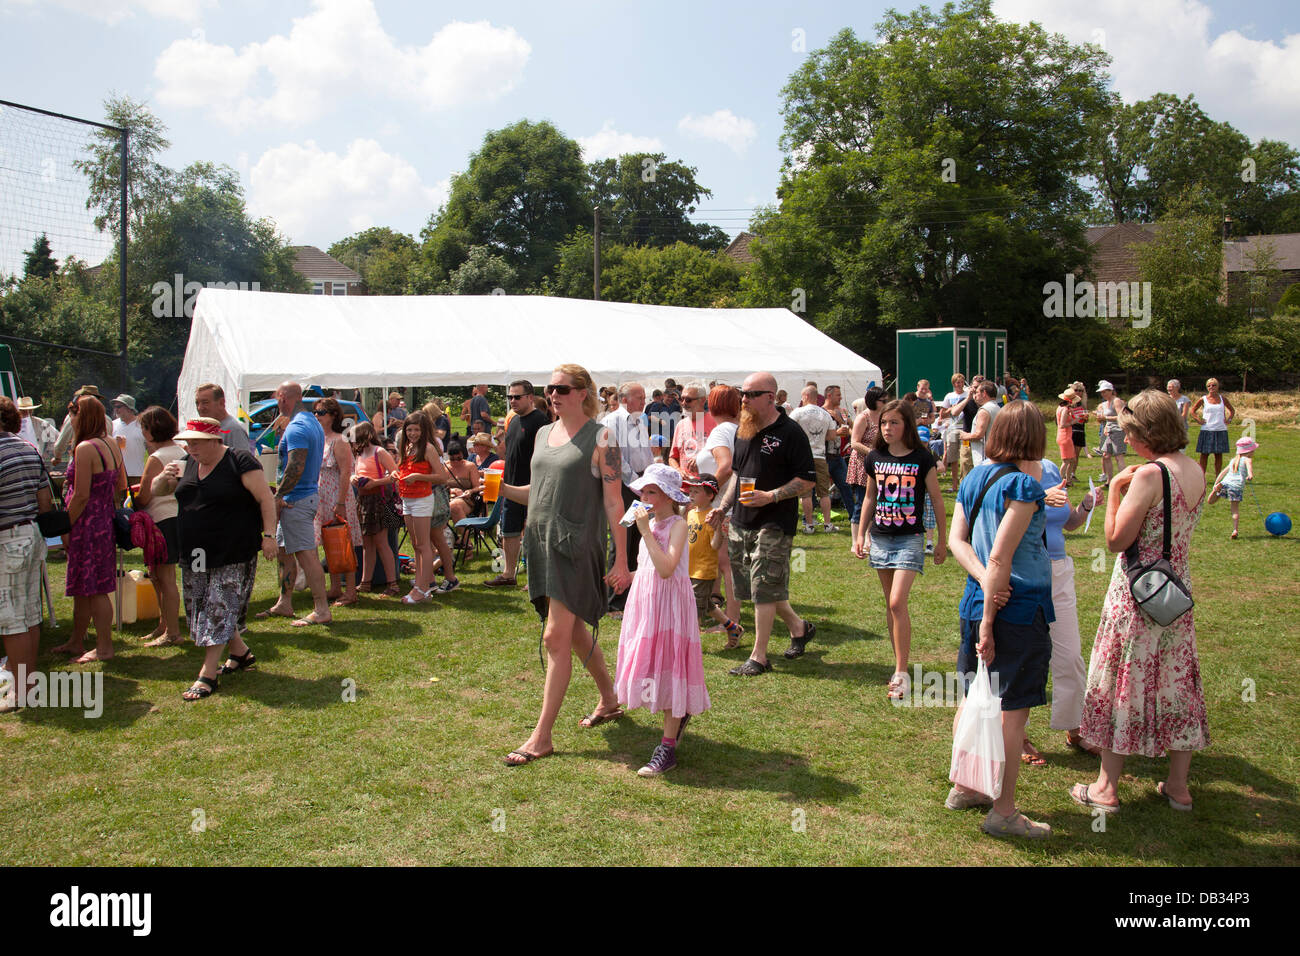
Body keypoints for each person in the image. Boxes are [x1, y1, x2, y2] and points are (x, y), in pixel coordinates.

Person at [1072, 390, 1207, 813]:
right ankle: (1179, 788)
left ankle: (1106, 789)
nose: (1127, 440)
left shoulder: (1149, 476)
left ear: (1148, 432)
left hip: (1137, 594)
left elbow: (1117, 540)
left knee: (1123, 682)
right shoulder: (1195, 470)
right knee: (1176, 682)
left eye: (1131, 433)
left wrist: (1113, 489)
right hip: (1174, 592)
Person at [499, 364, 632, 765]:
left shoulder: (602, 438)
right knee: (573, 634)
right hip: (540, 543)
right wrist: (497, 488)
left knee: (555, 637)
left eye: (561, 388)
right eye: (549, 388)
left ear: (582, 392)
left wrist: (622, 558)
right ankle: (610, 699)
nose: (553, 394)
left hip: (576, 545)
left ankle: (541, 737)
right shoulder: (542, 433)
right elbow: (536, 491)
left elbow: (613, 500)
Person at [945, 401, 1055, 838]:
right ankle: (1004, 812)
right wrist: (992, 606)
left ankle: (966, 786)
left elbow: (957, 542)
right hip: (1015, 611)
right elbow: (999, 556)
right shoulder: (1025, 486)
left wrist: (986, 586)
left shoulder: (974, 477)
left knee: (974, 697)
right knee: (1012, 712)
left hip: (978, 603)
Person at [154, 418, 278, 700]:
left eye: (195, 441)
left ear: (214, 440)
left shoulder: (240, 460)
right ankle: (240, 652)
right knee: (200, 605)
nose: (190, 446)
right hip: (195, 553)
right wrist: (163, 478)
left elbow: (265, 498)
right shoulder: (186, 463)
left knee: (219, 606)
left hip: (233, 550)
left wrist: (269, 536)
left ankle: (207, 675)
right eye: (187, 441)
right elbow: (157, 491)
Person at [707, 372, 816, 676]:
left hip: (775, 522)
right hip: (742, 521)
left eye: (751, 394)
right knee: (757, 588)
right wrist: (723, 507)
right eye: (743, 393)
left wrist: (771, 496)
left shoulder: (790, 432)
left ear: (770, 397)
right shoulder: (745, 429)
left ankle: (759, 656)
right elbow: (738, 475)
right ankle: (799, 628)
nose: (743, 399)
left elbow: (807, 480)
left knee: (763, 587)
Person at [615, 463, 712, 775]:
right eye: (643, 490)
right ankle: (675, 717)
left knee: (670, 667)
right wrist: (629, 576)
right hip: (648, 605)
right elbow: (650, 567)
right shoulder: (653, 525)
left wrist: (645, 532)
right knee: (651, 664)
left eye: (652, 491)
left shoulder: (677, 525)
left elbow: (668, 568)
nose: (644, 495)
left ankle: (667, 747)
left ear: (669, 497)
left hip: (670, 608)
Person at [856, 399, 947, 699]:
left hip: (910, 539)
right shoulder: (876, 457)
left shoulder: (922, 458)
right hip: (881, 538)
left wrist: (942, 540)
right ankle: (899, 665)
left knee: (897, 603)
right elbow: (869, 498)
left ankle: (902, 672)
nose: (888, 428)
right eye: (884, 423)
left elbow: (936, 498)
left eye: (894, 422)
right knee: (890, 604)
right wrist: (860, 534)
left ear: (907, 425)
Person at [1021, 456, 1104, 765]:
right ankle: (1019, 734)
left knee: (1070, 654)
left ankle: (1075, 726)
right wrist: (1041, 499)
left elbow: (1067, 522)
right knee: (1025, 655)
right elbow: (998, 518)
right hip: (1024, 571)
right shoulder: (1002, 470)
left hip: (1059, 570)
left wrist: (1085, 505)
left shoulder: (1052, 468)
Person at [51, 395, 125, 663]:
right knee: (84, 587)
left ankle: (104, 647)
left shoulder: (85, 448)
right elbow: (121, 485)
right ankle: (76, 640)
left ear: (81, 417)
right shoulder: (112, 444)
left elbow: (81, 495)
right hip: (102, 520)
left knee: (95, 588)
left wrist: (65, 525)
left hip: (86, 523)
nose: (70, 419)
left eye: (72, 414)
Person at [257, 381, 331, 627]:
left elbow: (295, 466)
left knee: (306, 555)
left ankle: (321, 609)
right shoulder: (311, 422)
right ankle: (284, 603)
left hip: (296, 500)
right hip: (297, 498)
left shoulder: (297, 427)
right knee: (284, 551)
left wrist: (278, 498)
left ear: (282, 397)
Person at [0, 397, 54, 712]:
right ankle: (29, 684)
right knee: (31, 615)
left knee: (11, 620)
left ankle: (19, 692)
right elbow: (45, 500)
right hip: (32, 534)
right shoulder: (27, 448)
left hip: (8, 539)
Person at [485, 381, 547, 588]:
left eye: (517, 397)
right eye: (510, 397)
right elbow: (509, 453)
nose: (513, 401)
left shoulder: (540, 421)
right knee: (509, 531)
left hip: (532, 487)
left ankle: (534, 577)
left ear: (530, 397)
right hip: (509, 486)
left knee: (532, 533)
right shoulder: (512, 421)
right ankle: (508, 574)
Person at [132, 406, 185, 647]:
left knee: (165, 578)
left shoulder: (157, 458)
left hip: (162, 520)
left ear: (151, 430)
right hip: (177, 517)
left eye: (143, 427)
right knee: (161, 576)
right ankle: (165, 625)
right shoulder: (183, 450)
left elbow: (143, 496)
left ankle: (172, 632)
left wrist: (130, 500)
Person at [394, 411, 458, 602]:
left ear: (424, 430)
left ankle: (422, 588)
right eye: (409, 429)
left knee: (424, 544)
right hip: (407, 499)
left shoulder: (428, 448)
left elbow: (442, 477)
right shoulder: (406, 447)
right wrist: (396, 475)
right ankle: (423, 584)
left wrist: (418, 477)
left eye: (416, 430)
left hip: (423, 499)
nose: (412, 433)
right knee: (415, 544)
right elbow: (402, 468)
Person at [603, 382, 654, 614]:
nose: (644, 402)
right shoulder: (611, 422)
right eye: (639, 397)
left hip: (639, 484)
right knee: (621, 539)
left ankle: (630, 593)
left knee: (636, 539)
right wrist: (637, 484)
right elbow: (616, 459)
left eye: (644, 397)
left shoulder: (639, 421)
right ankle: (614, 600)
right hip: (622, 487)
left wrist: (651, 479)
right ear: (625, 400)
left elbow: (646, 453)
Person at [694, 385, 742, 627]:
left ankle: (732, 619)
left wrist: (707, 495)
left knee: (726, 566)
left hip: (723, 509)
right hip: (733, 507)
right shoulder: (738, 429)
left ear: (711, 405)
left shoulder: (720, 431)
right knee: (728, 565)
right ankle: (729, 615)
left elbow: (726, 466)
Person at [683, 474, 744, 648]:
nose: (691, 495)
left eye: (696, 492)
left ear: (710, 495)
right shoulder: (691, 513)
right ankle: (733, 628)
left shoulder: (712, 516)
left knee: (692, 609)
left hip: (703, 572)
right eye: (690, 491)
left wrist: (718, 530)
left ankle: (688, 646)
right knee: (708, 605)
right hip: (689, 569)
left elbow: (715, 546)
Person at [312, 398, 362, 607]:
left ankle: (350, 590)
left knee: (343, 541)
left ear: (333, 415)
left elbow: (345, 473)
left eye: (321, 412)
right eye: (315, 412)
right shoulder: (318, 439)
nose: (317, 415)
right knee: (328, 540)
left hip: (337, 496)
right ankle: (335, 586)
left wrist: (340, 501)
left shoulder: (340, 440)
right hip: (321, 496)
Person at [349, 422, 401, 596]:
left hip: (378, 500)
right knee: (367, 544)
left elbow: (395, 475)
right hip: (363, 500)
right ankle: (365, 582)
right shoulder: (359, 453)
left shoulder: (379, 452)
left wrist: (375, 482)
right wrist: (354, 479)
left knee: (381, 542)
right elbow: (354, 472)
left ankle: (392, 584)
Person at [791, 385, 837, 534]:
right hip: (820, 455)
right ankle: (827, 524)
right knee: (824, 492)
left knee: (805, 493)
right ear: (816, 397)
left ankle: (809, 525)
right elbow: (831, 436)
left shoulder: (797, 412)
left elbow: (789, 431)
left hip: (803, 457)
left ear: (805, 397)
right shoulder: (825, 414)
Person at [847, 386, 885, 552]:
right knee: (862, 502)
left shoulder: (884, 417)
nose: (886, 403)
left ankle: (868, 538)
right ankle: (856, 541)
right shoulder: (863, 418)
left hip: (880, 464)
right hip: (863, 464)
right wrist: (872, 453)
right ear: (873, 401)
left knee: (876, 503)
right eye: (883, 401)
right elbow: (854, 442)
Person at [1208, 436, 1257, 539]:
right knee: (1234, 509)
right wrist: (1250, 476)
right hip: (1236, 486)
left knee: (1211, 502)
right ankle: (1235, 530)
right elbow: (1250, 471)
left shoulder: (1233, 460)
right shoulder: (1248, 459)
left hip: (1226, 482)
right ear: (1249, 451)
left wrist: (1215, 483)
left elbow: (1222, 473)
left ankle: (1217, 490)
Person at [1189, 378, 1235, 477]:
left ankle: (1218, 477)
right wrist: (1198, 420)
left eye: (1214, 385)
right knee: (1204, 455)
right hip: (1207, 429)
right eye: (1209, 385)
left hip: (1220, 429)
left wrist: (1229, 420)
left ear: (1218, 386)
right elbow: (1192, 410)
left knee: (1218, 455)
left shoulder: (1223, 399)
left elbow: (1232, 410)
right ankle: (1201, 477)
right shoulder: (1203, 399)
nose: (1211, 387)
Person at [193, 383, 254, 455]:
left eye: (205, 402)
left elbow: (245, 462)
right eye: (197, 403)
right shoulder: (208, 429)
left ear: (221, 403)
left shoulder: (233, 430)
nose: (200, 407)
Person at [822, 385, 854, 518]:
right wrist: (837, 432)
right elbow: (818, 435)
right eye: (838, 395)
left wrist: (843, 421)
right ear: (829, 396)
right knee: (820, 490)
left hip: (838, 456)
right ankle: (811, 519)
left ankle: (854, 516)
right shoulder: (821, 412)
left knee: (846, 487)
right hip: (824, 457)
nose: (841, 397)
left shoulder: (842, 411)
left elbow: (852, 427)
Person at [957, 380, 1001, 467]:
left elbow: (979, 435)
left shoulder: (984, 410)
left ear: (984, 393)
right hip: (994, 454)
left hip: (984, 457)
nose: (975, 395)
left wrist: (964, 436)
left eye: (977, 392)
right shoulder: (998, 408)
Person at [1095, 380, 1128, 484]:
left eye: (1105, 392)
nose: (1103, 394)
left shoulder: (1117, 401)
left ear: (1111, 391)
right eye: (1101, 392)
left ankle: (1123, 480)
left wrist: (1106, 417)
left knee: (1118, 457)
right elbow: (1105, 419)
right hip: (1109, 431)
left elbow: (1121, 416)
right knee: (1106, 455)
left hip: (1118, 431)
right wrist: (1104, 424)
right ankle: (1109, 481)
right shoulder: (1104, 404)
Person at [445, 437, 483, 527]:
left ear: (463, 455)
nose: (456, 462)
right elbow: (439, 486)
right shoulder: (444, 467)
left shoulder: (470, 466)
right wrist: (452, 490)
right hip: (447, 498)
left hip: (467, 500)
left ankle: (465, 539)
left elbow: (478, 487)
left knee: (455, 506)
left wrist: (470, 491)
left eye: (459, 458)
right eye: (452, 459)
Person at [109, 395, 147, 485]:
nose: (116, 409)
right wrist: (114, 443)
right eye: (114, 407)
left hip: (137, 474)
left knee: (136, 499)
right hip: (116, 474)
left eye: (119, 407)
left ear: (129, 408)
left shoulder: (142, 425)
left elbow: (151, 449)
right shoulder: (112, 425)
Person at [15, 397, 57, 462]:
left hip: (36, 460)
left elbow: (56, 437)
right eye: (23, 410)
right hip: (17, 460)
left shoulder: (41, 423)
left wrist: (47, 452)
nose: (27, 412)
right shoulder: (12, 424)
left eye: (29, 410)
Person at [1055, 387, 1080, 486]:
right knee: (1066, 461)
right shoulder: (1065, 409)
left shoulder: (1061, 408)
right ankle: (1060, 481)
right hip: (1065, 436)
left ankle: (1068, 480)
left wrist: (1072, 413)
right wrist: (1074, 421)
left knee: (1072, 460)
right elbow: (1062, 424)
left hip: (1065, 436)